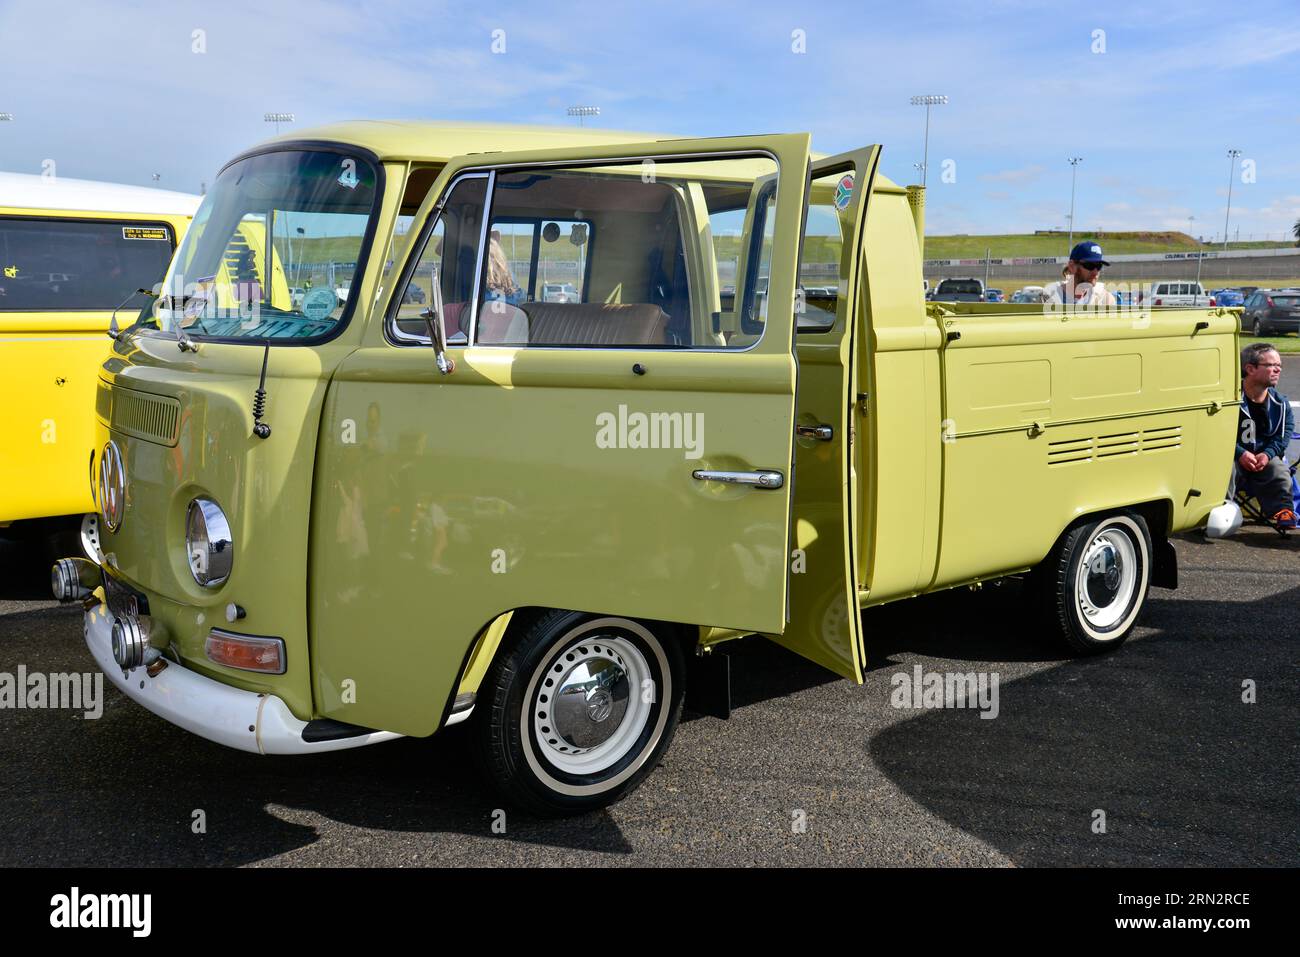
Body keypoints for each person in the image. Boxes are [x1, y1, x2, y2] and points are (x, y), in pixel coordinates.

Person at [1231, 343, 1296, 528]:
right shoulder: (1229, 401)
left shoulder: (1281, 404)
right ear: (1250, 368)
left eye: (1280, 366)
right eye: (1271, 365)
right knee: (1224, 469)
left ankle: (1284, 511)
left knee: (1279, 470)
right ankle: (1221, 510)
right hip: (1233, 457)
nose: (1277, 370)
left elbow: (1281, 439)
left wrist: (1267, 454)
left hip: (1263, 459)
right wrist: (1240, 453)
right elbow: (1216, 434)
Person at [1043, 240, 1116, 307]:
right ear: (1071, 266)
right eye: (1089, 265)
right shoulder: (1049, 297)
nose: (1095, 272)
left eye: (1099, 266)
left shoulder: (1106, 300)